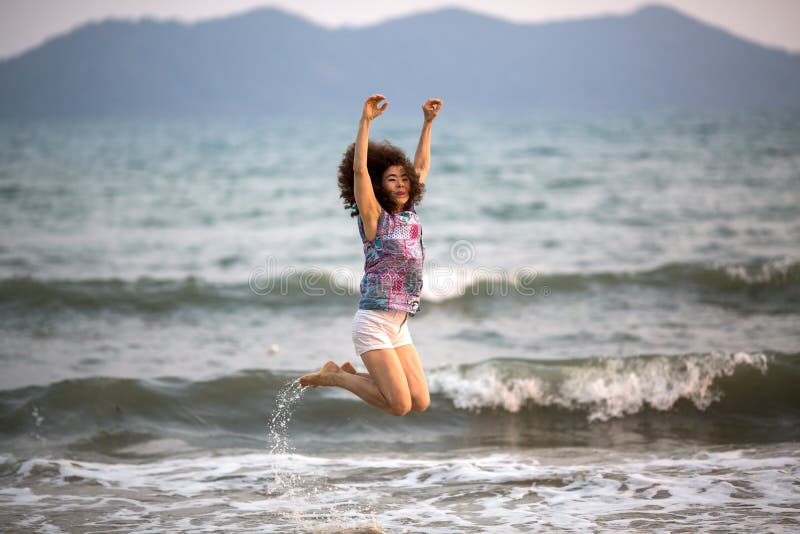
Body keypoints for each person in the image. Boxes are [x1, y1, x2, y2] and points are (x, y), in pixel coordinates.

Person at [298, 93, 443, 416]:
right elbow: (360, 171)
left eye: (404, 179)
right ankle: (336, 377)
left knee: (420, 401)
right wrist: (365, 122)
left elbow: (420, 165)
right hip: (374, 322)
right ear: (380, 187)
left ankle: (344, 375)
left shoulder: (409, 213)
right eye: (393, 180)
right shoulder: (375, 218)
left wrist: (427, 124)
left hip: (400, 322)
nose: (402, 184)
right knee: (400, 405)